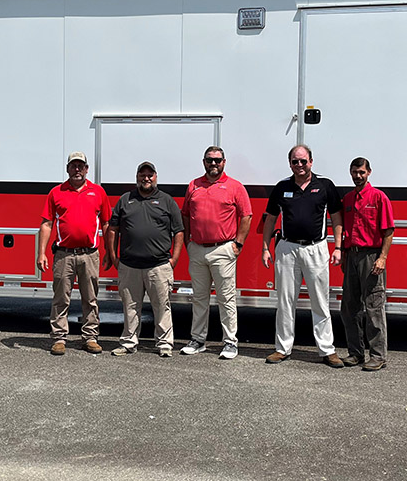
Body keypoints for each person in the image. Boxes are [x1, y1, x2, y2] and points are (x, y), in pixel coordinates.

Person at [261, 144, 344, 367]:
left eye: (303, 161)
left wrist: (337, 246)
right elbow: (270, 218)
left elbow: (336, 217)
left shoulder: (325, 186)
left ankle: (327, 350)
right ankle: (282, 348)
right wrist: (265, 247)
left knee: (320, 301)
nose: (299, 165)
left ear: (311, 162)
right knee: (285, 301)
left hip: (316, 248)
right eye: (295, 161)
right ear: (290, 164)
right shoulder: (282, 187)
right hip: (287, 249)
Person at [104, 161, 185, 358]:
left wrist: (173, 259)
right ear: (137, 177)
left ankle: (164, 343)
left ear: (156, 177)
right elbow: (113, 229)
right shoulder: (125, 200)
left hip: (158, 266)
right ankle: (129, 342)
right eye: (142, 175)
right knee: (130, 307)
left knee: (162, 306)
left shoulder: (167, 201)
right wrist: (114, 256)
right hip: (130, 265)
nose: (146, 178)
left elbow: (179, 231)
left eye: (150, 175)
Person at [36, 152, 112, 356]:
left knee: (91, 298)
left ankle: (90, 337)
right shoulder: (56, 192)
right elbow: (47, 223)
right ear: (67, 168)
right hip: (64, 255)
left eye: (81, 166)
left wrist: (109, 252)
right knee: (61, 298)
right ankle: (59, 338)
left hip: (90, 254)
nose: (77, 169)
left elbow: (106, 224)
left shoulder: (98, 192)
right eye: (73, 166)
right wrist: (41, 253)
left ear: (87, 169)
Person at [181, 146, 252, 359]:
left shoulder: (235, 186)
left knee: (226, 298)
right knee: (199, 298)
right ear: (204, 162)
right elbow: (185, 214)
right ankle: (198, 339)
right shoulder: (194, 185)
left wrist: (237, 244)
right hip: (198, 249)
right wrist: (188, 242)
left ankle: (230, 342)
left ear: (224, 162)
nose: (214, 164)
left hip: (223, 249)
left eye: (217, 160)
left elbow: (246, 216)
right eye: (210, 160)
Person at [339, 157, 395, 372]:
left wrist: (382, 258)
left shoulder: (379, 197)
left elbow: (388, 231)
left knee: (373, 307)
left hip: (371, 257)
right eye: (354, 172)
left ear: (369, 172)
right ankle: (355, 353)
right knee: (349, 308)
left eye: (361, 172)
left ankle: (378, 356)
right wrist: (344, 255)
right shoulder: (348, 199)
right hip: (352, 256)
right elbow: (344, 230)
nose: (358, 176)